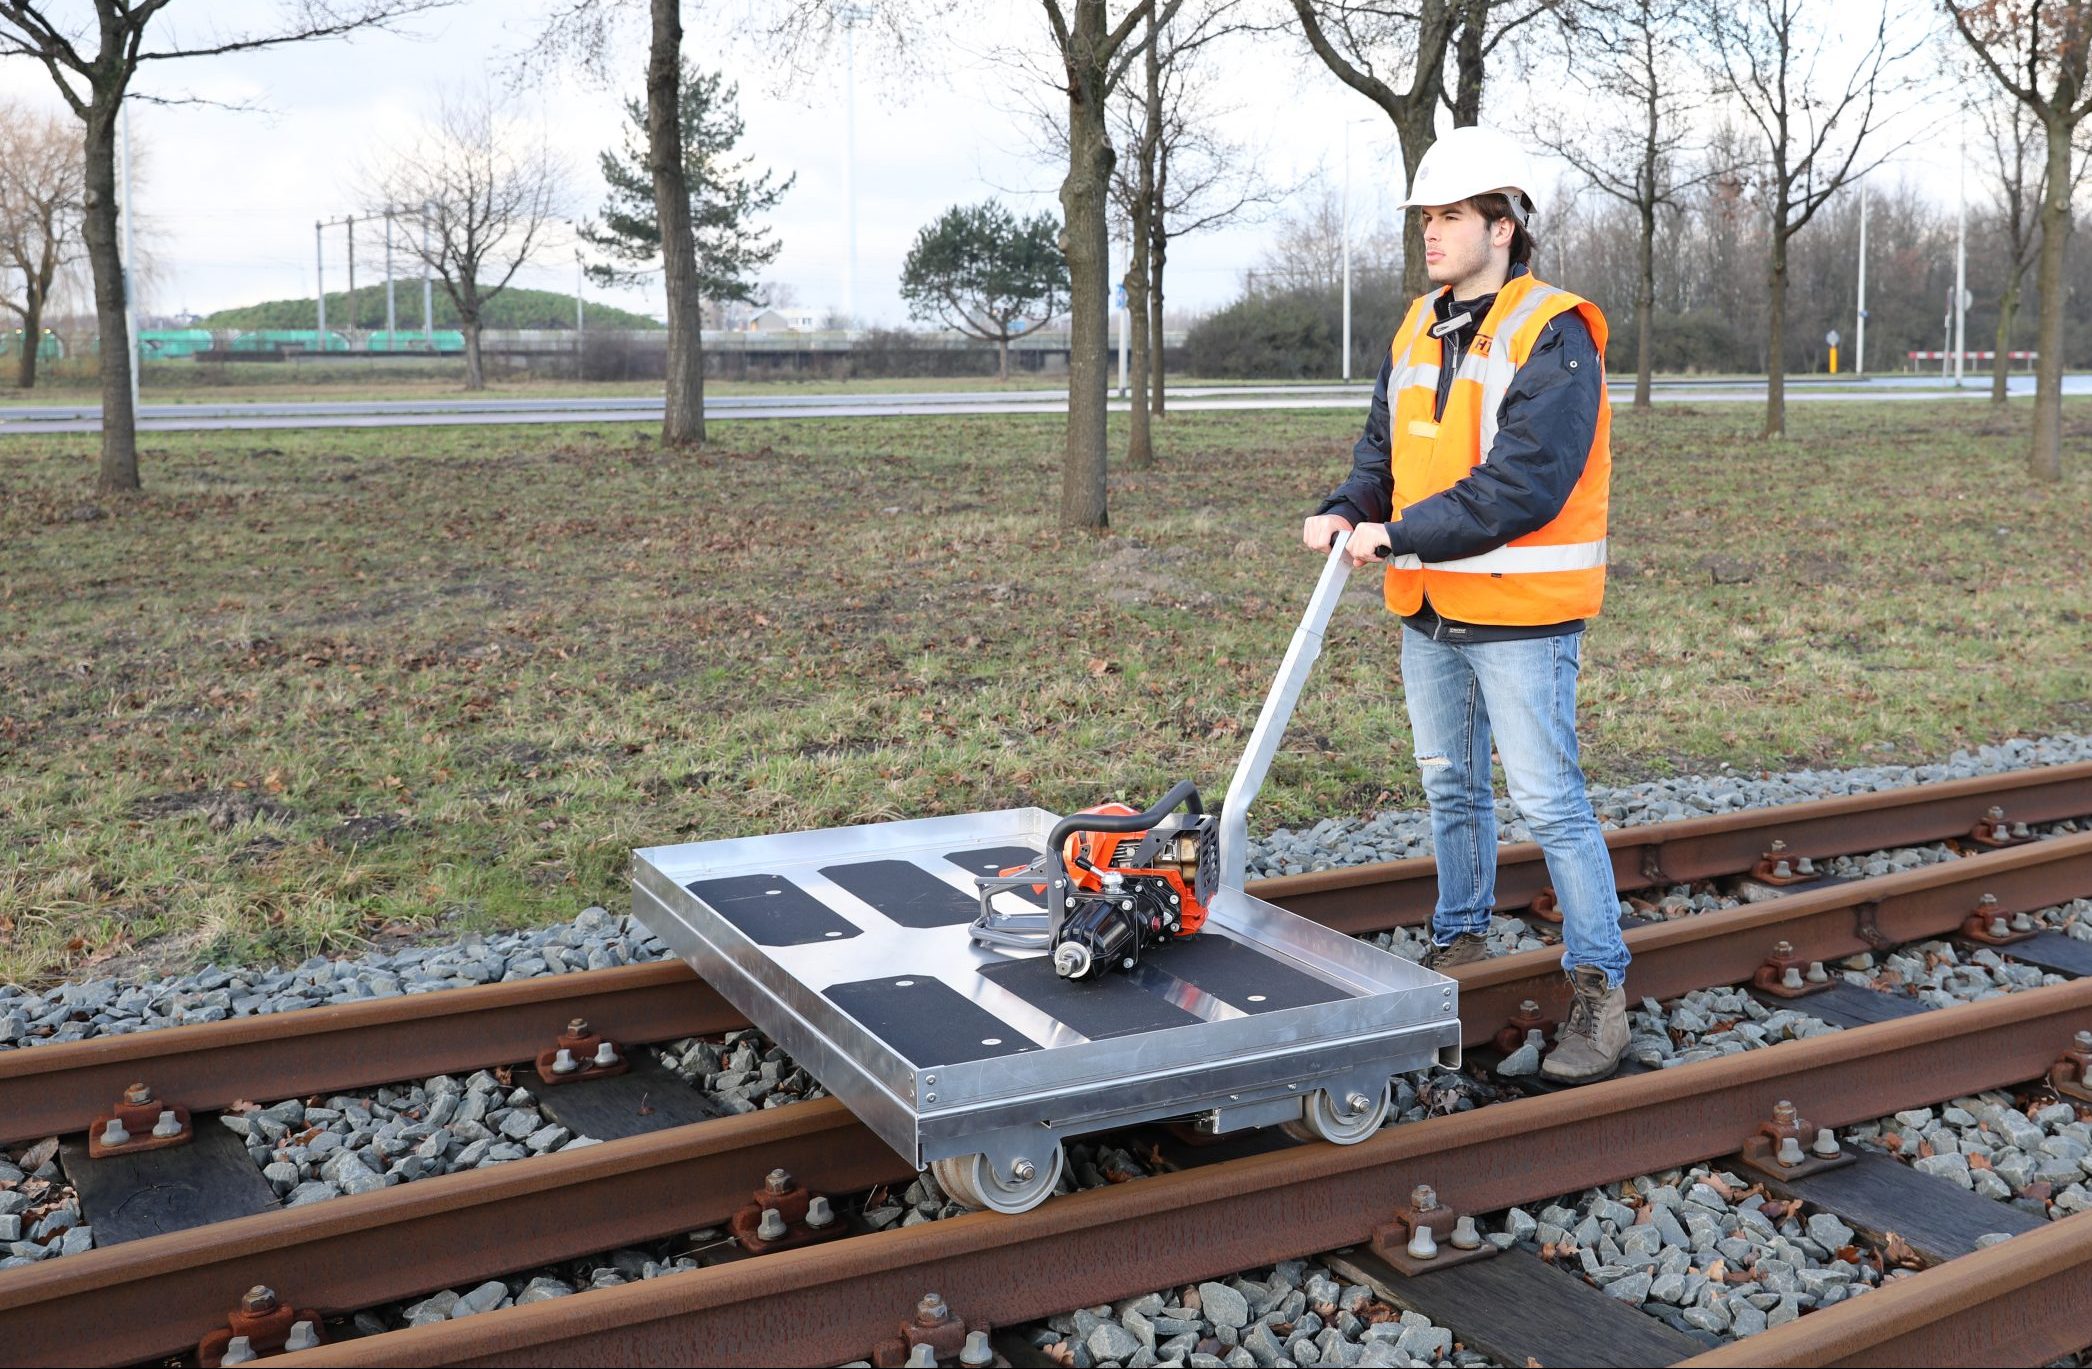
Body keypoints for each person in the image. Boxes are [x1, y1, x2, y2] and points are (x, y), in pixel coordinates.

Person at [1299, 124, 1630, 1084]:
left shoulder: (1556, 331)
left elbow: (1523, 483)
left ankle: (1601, 990)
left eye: (1449, 216)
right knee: (1451, 787)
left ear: (1504, 223)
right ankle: (1462, 942)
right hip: (1433, 608)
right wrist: (1345, 509)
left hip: (1524, 614)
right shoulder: (1416, 326)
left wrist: (1397, 533)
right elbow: (1383, 459)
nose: (1430, 235)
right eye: (1425, 218)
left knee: (1550, 804)